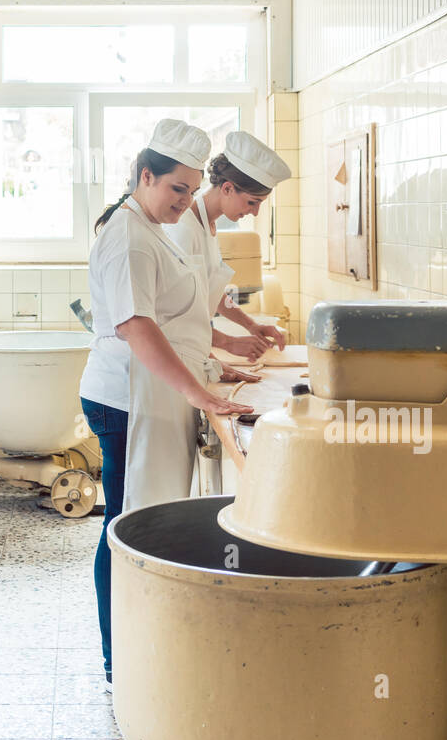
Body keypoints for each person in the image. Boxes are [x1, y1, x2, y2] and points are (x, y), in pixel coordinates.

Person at [79, 119, 252, 691]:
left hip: (147, 392)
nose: (185, 199)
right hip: (126, 397)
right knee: (125, 524)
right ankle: (118, 657)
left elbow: (178, 319)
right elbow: (136, 326)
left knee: (136, 518)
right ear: (145, 176)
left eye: (191, 187)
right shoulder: (129, 236)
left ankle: (137, 644)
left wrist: (208, 366)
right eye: (176, 187)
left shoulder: (150, 229)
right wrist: (199, 391)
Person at [166, 130, 292, 363]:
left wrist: (252, 325)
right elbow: (171, 317)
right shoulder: (183, 229)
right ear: (226, 188)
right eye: (252, 202)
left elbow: (211, 292)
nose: (254, 212)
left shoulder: (208, 225)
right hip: (172, 361)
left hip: (191, 353)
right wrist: (228, 342)